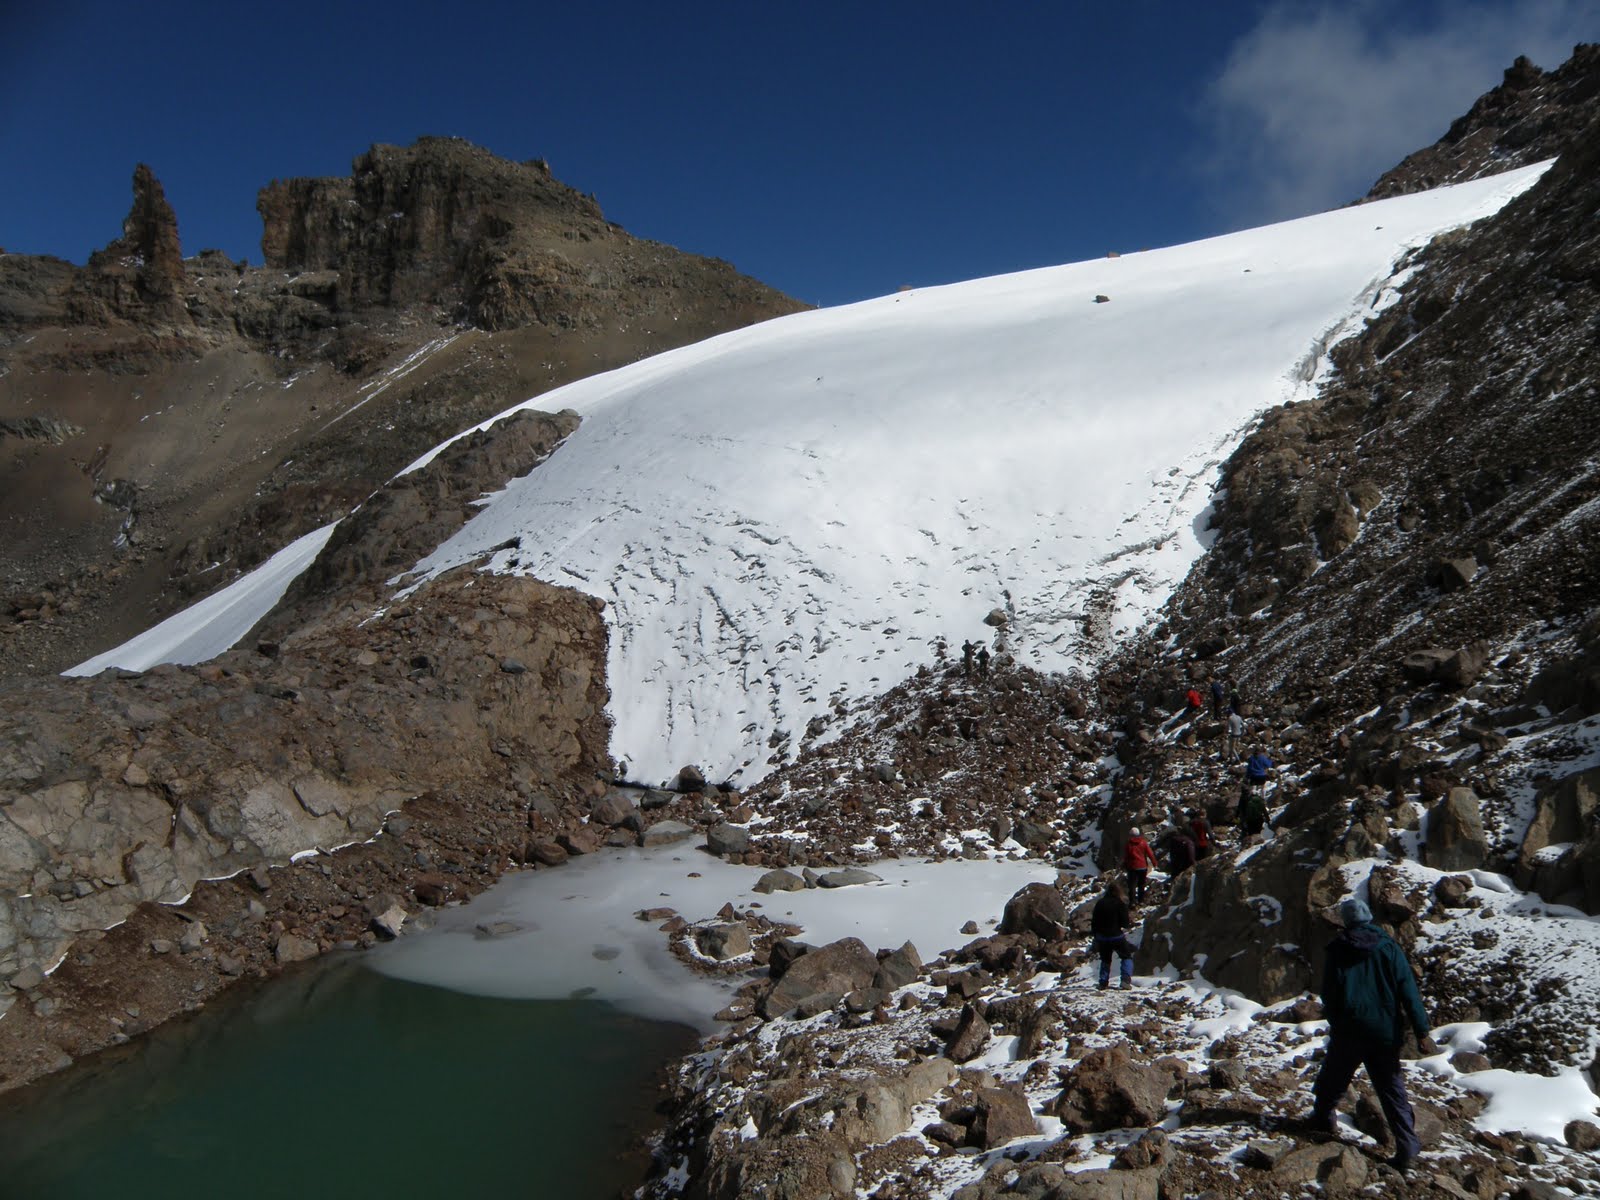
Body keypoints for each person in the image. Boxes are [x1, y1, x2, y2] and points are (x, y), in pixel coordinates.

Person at [1306, 898, 1439, 1175]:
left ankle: (1322, 1121)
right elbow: (1408, 990)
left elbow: (1329, 993)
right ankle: (1407, 1149)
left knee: (1333, 1078)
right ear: (1368, 918)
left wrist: (1337, 1021)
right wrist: (1421, 1030)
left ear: (1346, 921)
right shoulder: (1389, 948)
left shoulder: (1338, 949)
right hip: (1385, 1032)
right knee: (1391, 1090)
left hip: (1350, 1030)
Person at [1090, 880, 1137, 990]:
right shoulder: (1120, 904)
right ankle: (1125, 980)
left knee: (1105, 959)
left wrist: (1096, 935)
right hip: (1116, 935)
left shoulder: (1100, 903)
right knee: (1126, 956)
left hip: (1102, 936)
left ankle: (1103, 982)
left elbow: (1094, 922)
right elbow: (1125, 923)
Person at [1122, 826, 1155, 904]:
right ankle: (1141, 901)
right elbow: (1150, 853)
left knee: (1132, 885)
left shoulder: (1129, 844)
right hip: (1143, 866)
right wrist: (1154, 862)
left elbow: (1126, 856)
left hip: (1132, 867)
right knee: (1141, 884)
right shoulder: (1143, 842)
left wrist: (1124, 865)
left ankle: (1132, 902)